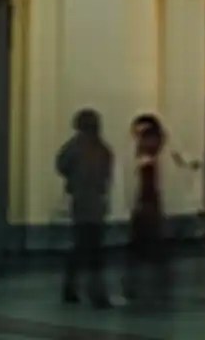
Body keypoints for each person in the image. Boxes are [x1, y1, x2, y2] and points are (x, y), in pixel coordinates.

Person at [56, 108, 114, 308]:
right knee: (94, 250)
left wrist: (73, 180)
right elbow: (106, 176)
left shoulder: (75, 147)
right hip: (94, 203)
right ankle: (95, 293)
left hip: (81, 202)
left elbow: (61, 165)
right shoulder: (102, 149)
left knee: (80, 248)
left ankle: (72, 288)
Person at [123, 114, 172, 305]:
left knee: (140, 251)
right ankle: (156, 287)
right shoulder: (154, 156)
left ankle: (134, 286)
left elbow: (147, 186)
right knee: (153, 251)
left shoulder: (146, 157)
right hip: (150, 210)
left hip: (146, 210)